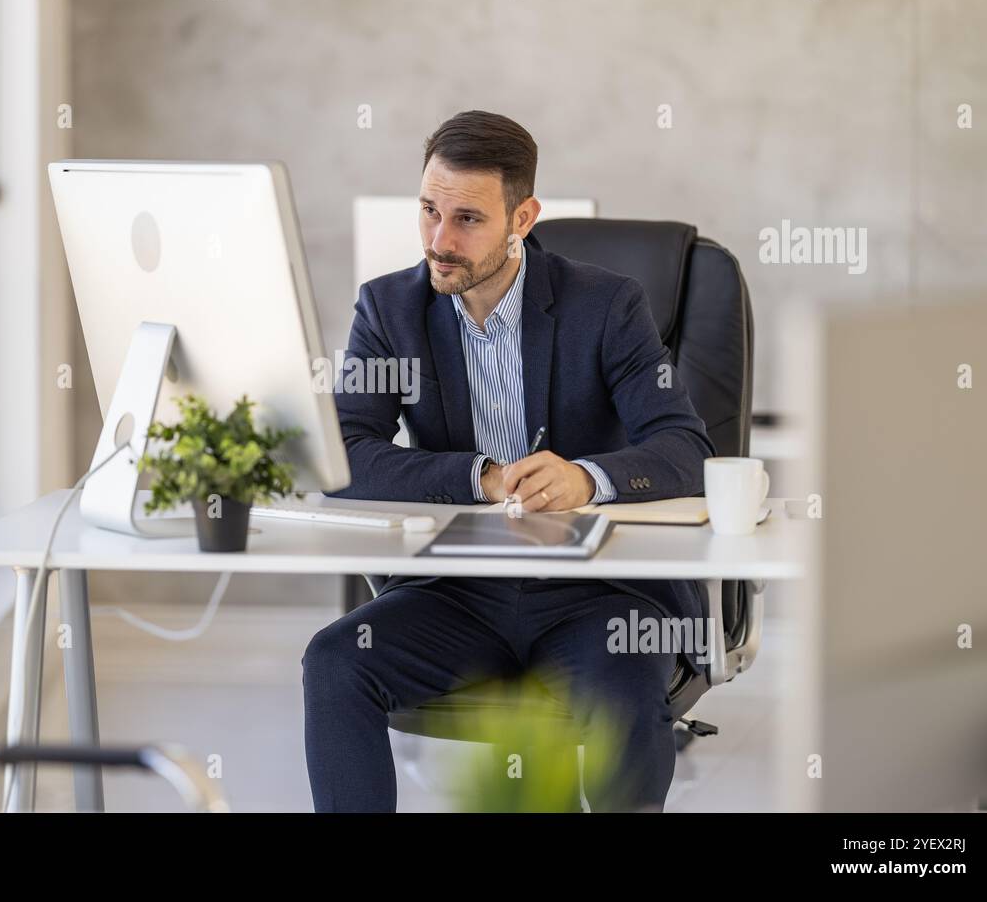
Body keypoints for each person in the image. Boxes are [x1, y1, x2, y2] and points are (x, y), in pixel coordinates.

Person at [303, 110, 714, 811]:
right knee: (336, 662)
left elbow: (687, 448)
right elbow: (344, 455)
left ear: (523, 216)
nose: (439, 240)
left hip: (595, 595)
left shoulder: (608, 306)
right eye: (429, 210)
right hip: (457, 593)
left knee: (625, 697)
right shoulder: (390, 309)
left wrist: (588, 477)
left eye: (467, 219)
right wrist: (479, 475)